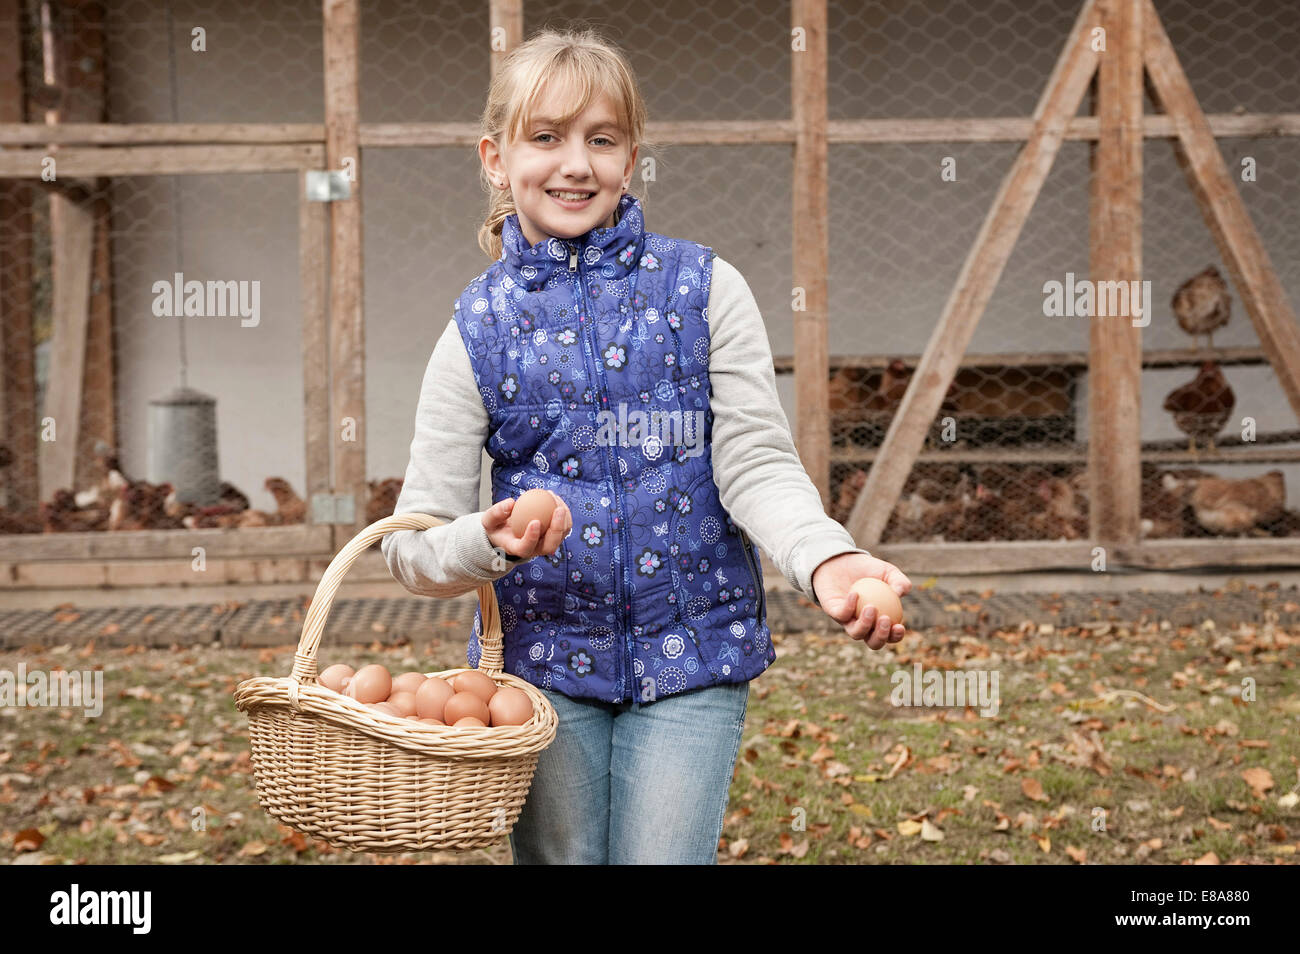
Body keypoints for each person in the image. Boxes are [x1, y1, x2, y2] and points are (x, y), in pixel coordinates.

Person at [381, 26, 912, 865]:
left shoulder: (706, 290)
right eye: (545, 138)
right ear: (495, 157)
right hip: (544, 668)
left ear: (631, 161)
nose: (575, 164)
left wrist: (827, 559)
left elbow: (756, 462)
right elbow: (411, 548)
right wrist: (484, 540)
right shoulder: (474, 331)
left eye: (602, 139)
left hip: (695, 650)